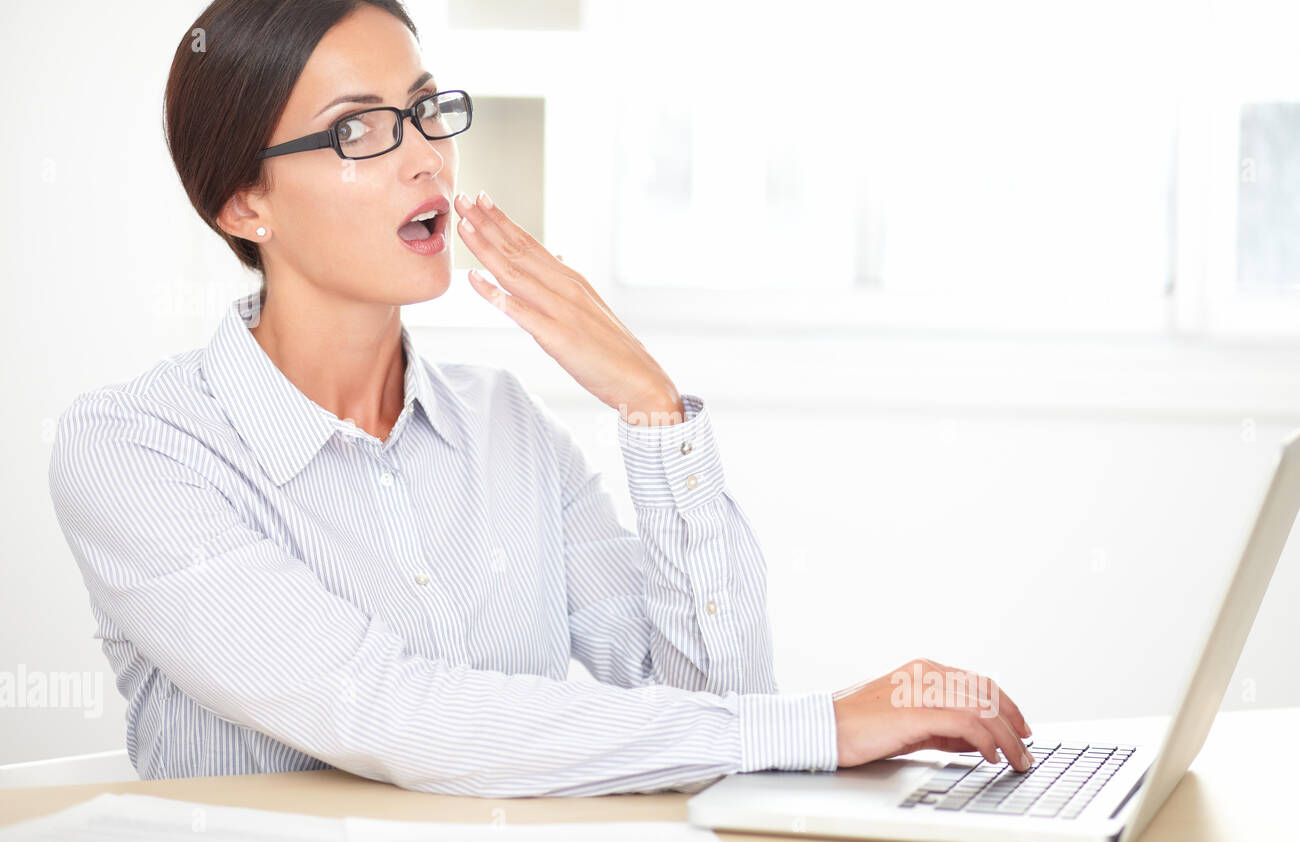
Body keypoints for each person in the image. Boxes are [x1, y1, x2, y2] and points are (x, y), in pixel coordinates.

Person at [47, 0, 1033, 797]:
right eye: (359, 130)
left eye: (429, 108)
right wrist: (823, 723)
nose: (425, 154)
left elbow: (717, 709)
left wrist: (650, 406)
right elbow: (387, 712)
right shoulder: (136, 449)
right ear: (242, 203)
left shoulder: (504, 421)